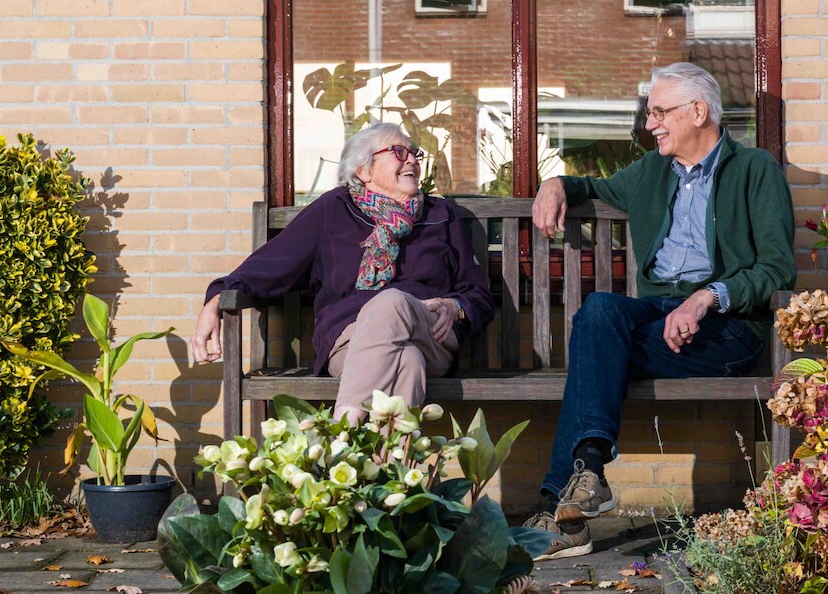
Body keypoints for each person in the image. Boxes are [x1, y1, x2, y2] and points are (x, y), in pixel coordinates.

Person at [524, 63, 796, 560]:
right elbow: (589, 186)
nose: (649, 125)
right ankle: (589, 472)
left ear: (698, 111)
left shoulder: (756, 171)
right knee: (600, 312)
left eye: (659, 112)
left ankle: (563, 514)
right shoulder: (651, 171)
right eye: (649, 113)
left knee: (595, 354)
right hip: (656, 319)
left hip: (726, 329)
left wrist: (707, 296)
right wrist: (554, 184)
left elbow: (778, 271)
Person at [190, 123, 493, 421]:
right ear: (364, 170)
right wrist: (216, 300)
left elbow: (477, 295)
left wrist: (455, 307)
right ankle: (385, 468)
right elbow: (271, 264)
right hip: (351, 340)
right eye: (399, 152)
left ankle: (342, 436)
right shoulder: (333, 209)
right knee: (407, 362)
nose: (412, 159)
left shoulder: (441, 215)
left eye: (414, 153)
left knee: (392, 302)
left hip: (430, 336)